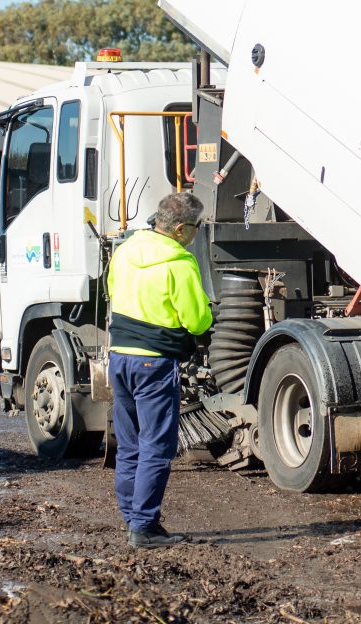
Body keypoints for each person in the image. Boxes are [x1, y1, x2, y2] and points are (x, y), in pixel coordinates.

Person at [106, 190, 212, 548]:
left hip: (120, 357)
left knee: (130, 445)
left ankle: (132, 519)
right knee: (156, 446)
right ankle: (144, 527)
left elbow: (113, 290)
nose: (197, 233)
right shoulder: (179, 263)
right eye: (197, 227)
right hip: (153, 363)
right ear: (181, 229)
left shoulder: (125, 251)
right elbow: (197, 321)